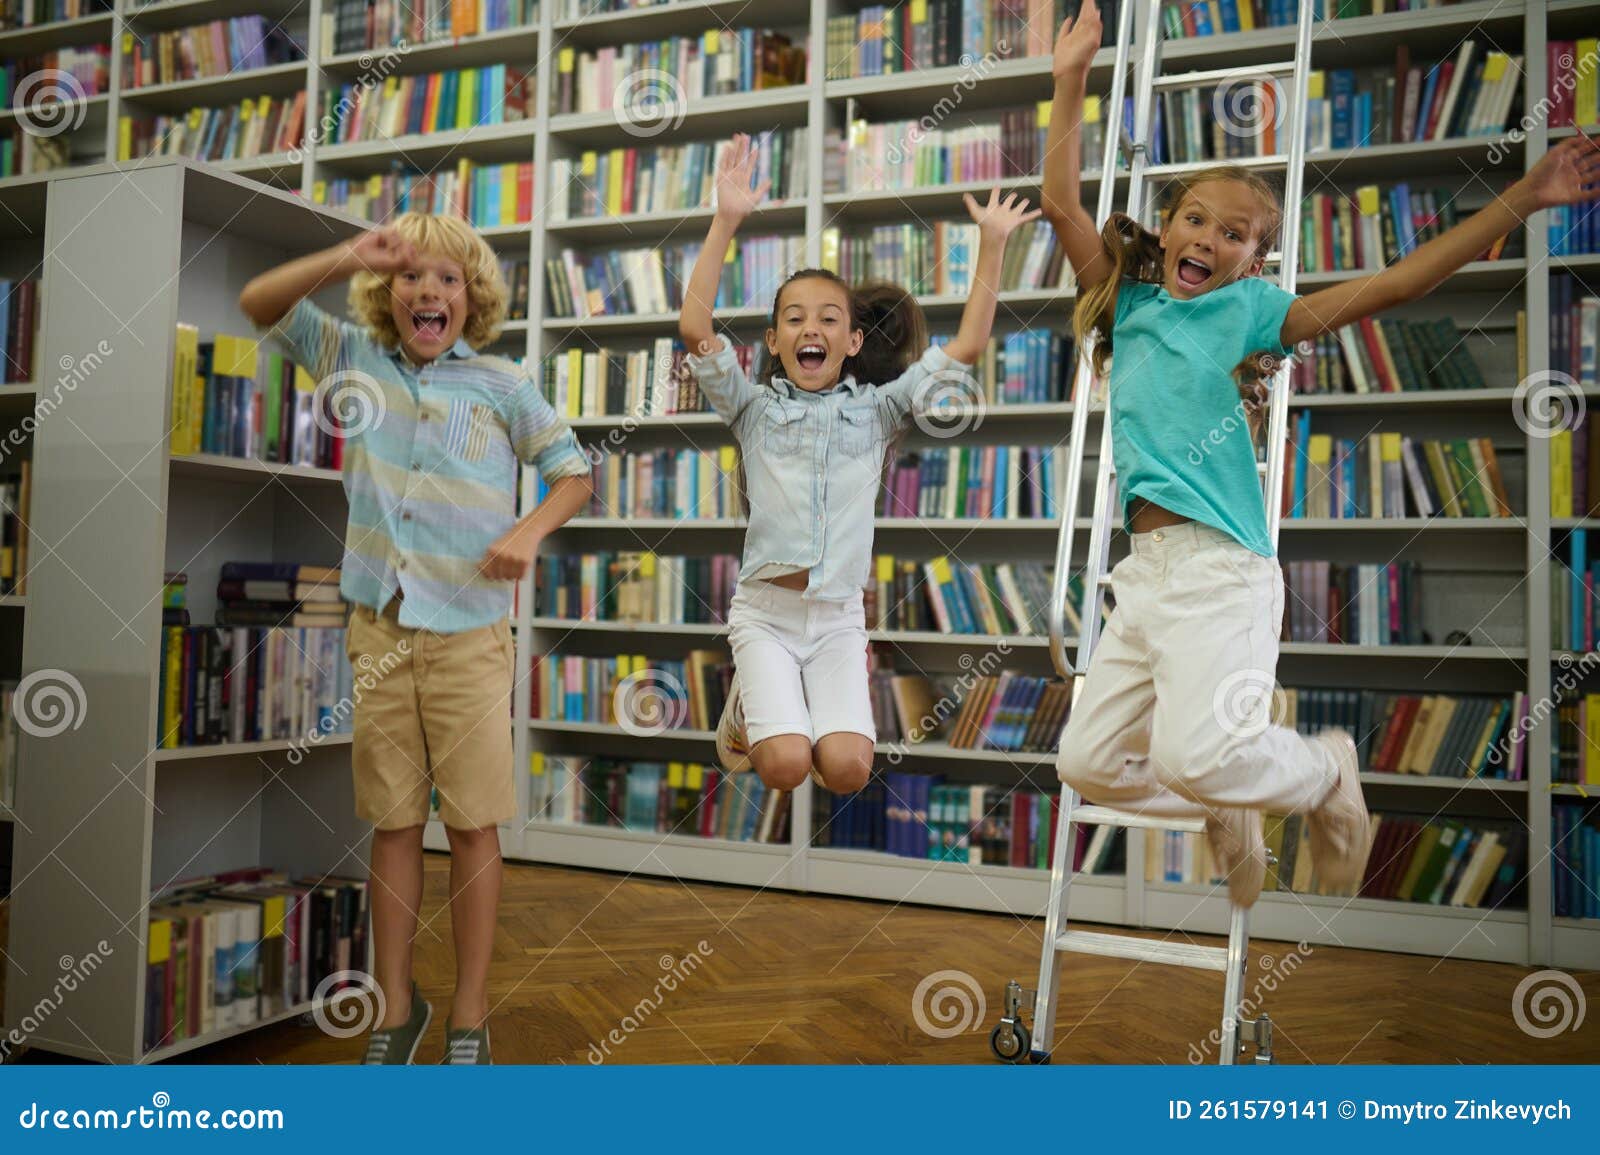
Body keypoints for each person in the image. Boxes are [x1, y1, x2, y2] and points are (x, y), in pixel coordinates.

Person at [1043, 0, 1600, 906]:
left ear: (1254, 262)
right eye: (1194, 219)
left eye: (1234, 234)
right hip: (1141, 575)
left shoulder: (1253, 314)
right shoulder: (1125, 302)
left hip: (1221, 572)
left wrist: (1522, 196)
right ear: (1169, 225)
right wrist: (1070, 79)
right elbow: (1061, 202)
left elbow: (1395, 281)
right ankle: (1229, 802)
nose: (1206, 240)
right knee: (1088, 765)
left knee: (1193, 748)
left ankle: (1326, 771)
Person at [239, 212, 593, 1061]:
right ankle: (397, 1008)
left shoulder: (505, 384)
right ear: (386, 292)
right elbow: (257, 301)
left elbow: (574, 472)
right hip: (379, 630)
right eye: (410, 277)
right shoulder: (351, 361)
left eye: (447, 280)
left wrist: (528, 531)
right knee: (392, 825)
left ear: (471, 301)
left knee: (473, 826)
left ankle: (470, 1013)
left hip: (471, 637)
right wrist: (345, 253)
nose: (427, 292)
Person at [680, 133, 1040, 795]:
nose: (809, 329)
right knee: (786, 766)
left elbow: (968, 342)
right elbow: (696, 328)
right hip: (765, 611)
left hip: (840, 617)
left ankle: (780, 707)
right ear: (773, 341)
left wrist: (992, 243)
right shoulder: (752, 408)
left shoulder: (878, 411)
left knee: (846, 771)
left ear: (851, 341)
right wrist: (725, 219)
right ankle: (752, 708)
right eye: (793, 318)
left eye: (826, 319)